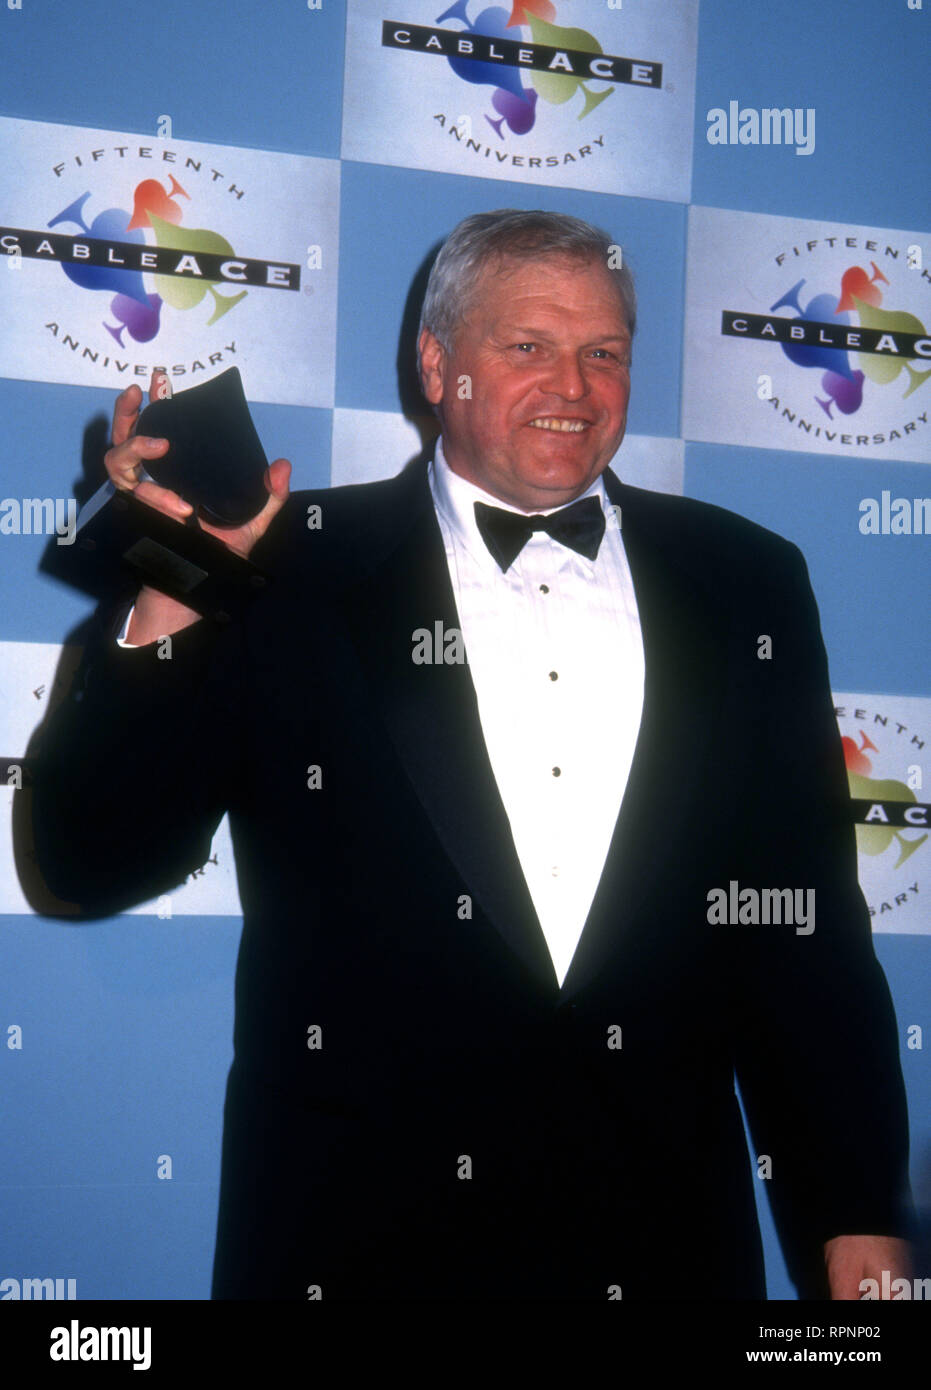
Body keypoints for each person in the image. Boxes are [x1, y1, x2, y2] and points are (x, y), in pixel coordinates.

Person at [26, 210, 911, 1300]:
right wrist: (174, 588)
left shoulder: (745, 578)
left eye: (605, 353)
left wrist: (858, 1216)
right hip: (354, 1251)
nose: (574, 386)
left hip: (662, 1247)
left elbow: (802, 925)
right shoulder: (281, 562)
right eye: (527, 346)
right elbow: (89, 858)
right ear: (437, 362)